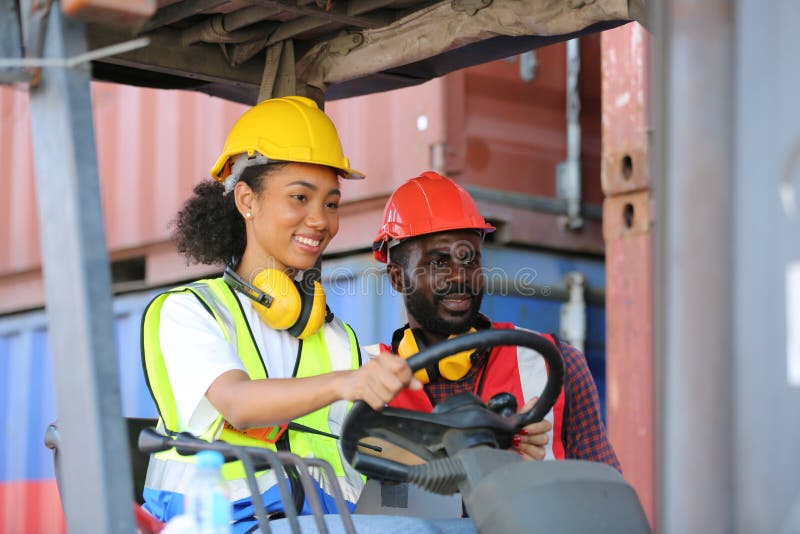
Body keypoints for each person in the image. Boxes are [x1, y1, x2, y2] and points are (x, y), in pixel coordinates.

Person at [140, 96, 421, 532]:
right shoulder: (190, 312)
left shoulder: (336, 338)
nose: (320, 221)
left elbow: (373, 450)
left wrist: (483, 443)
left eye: (331, 203)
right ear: (247, 201)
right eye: (299, 198)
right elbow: (239, 404)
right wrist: (346, 383)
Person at [369, 171, 621, 470]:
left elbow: (605, 498)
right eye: (438, 263)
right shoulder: (364, 384)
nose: (460, 277)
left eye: (470, 260)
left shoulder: (556, 366)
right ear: (398, 277)